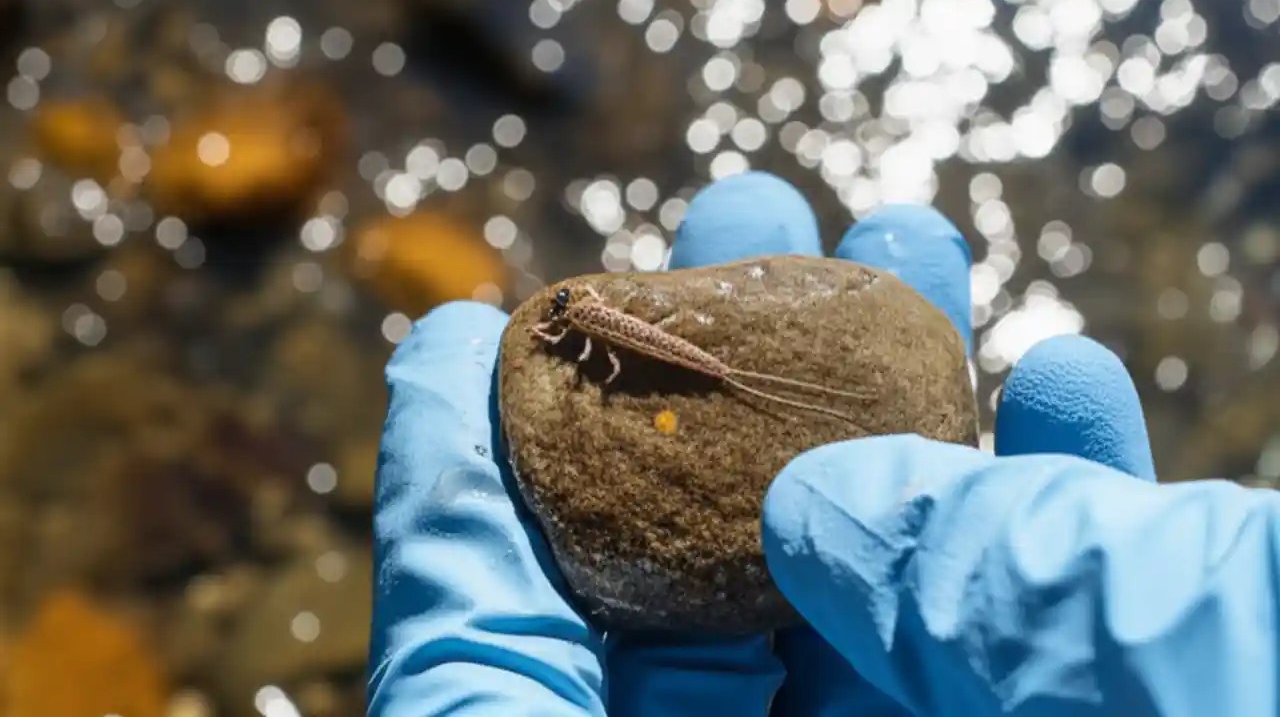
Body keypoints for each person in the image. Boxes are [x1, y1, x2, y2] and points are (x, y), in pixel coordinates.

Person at [366, 171, 1280, 717]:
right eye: (567, 316)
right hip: (664, 343)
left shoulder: (592, 326)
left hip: (667, 348)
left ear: (580, 314)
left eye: (568, 314)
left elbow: (607, 348)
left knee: (693, 366)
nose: (564, 317)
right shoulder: (588, 323)